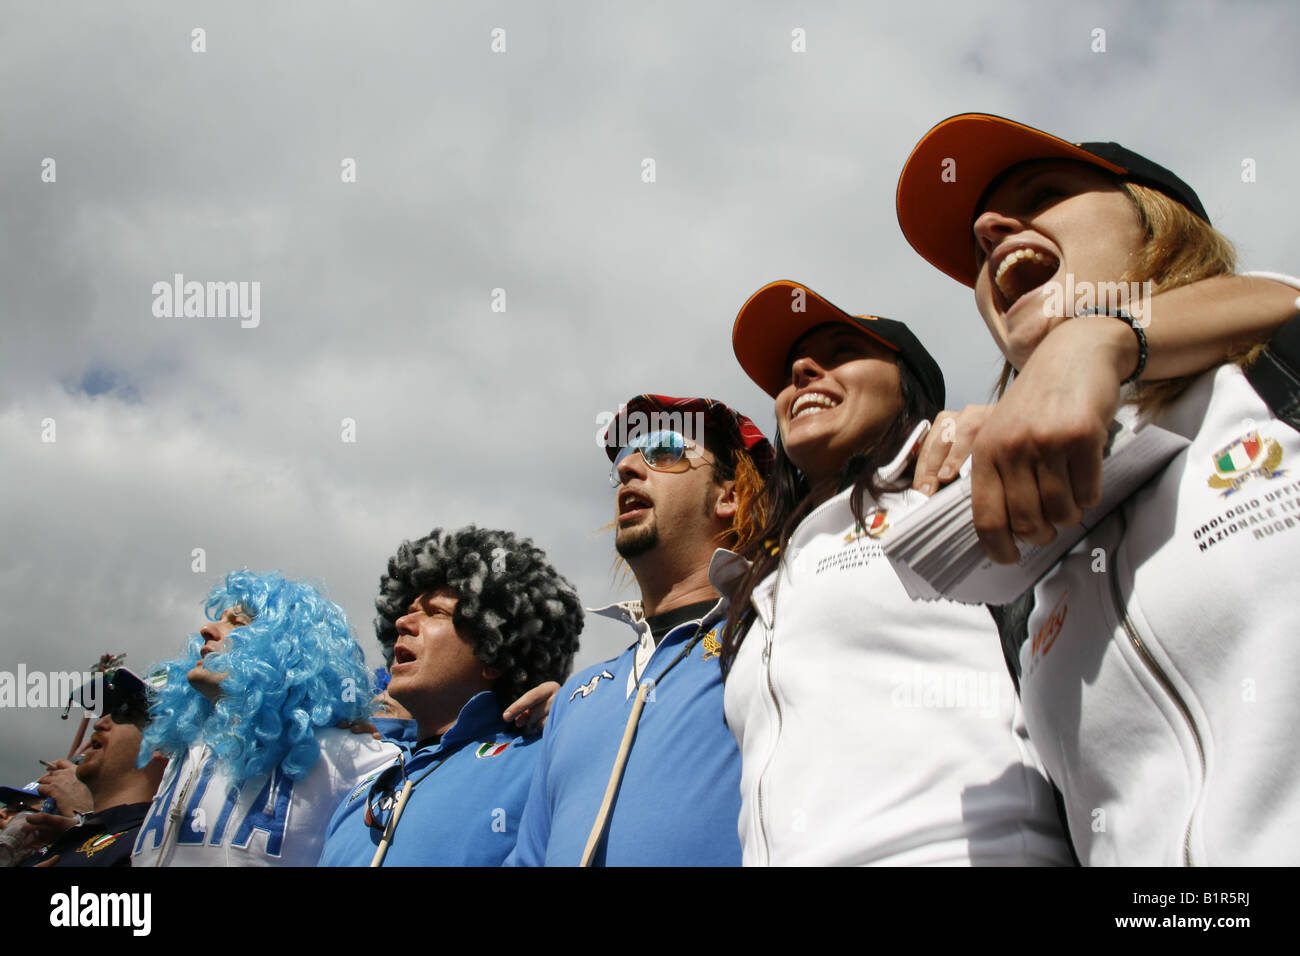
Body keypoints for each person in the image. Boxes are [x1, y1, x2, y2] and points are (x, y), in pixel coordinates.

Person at [896, 112, 1300, 864]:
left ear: (1159, 224)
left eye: (1045, 191)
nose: (988, 227)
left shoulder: (1276, 375)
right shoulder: (1021, 564)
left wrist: (1106, 335)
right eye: (980, 240)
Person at [721, 280, 1074, 866]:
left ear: (909, 387)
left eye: (840, 350)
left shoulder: (961, 490)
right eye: (791, 371)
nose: (802, 370)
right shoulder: (763, 584)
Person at [507, 395, 772, 866]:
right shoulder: (574, 699)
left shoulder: (773, 638)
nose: (629, 467)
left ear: (729, 496)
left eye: (666, 451)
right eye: (627, 457)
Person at [318, 526, 583, 866]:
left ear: (494, 650)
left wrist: (577, 718)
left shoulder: (545, 762)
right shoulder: (363, 791)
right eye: (407, 610)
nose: (403, 622)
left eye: (435, 612)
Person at [132, 570, 397, 866]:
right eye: (218, 619)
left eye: (237, 623)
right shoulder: (186, 751)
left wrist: (397, 734)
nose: (206, 629)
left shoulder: (341, 752)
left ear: (290, 652)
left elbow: (427, 781)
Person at [19, 668, 168, 867]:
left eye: (125, 710)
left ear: (164, 743)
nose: (99, 723)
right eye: (106, 711)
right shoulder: (61, 837)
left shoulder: (154, 847)